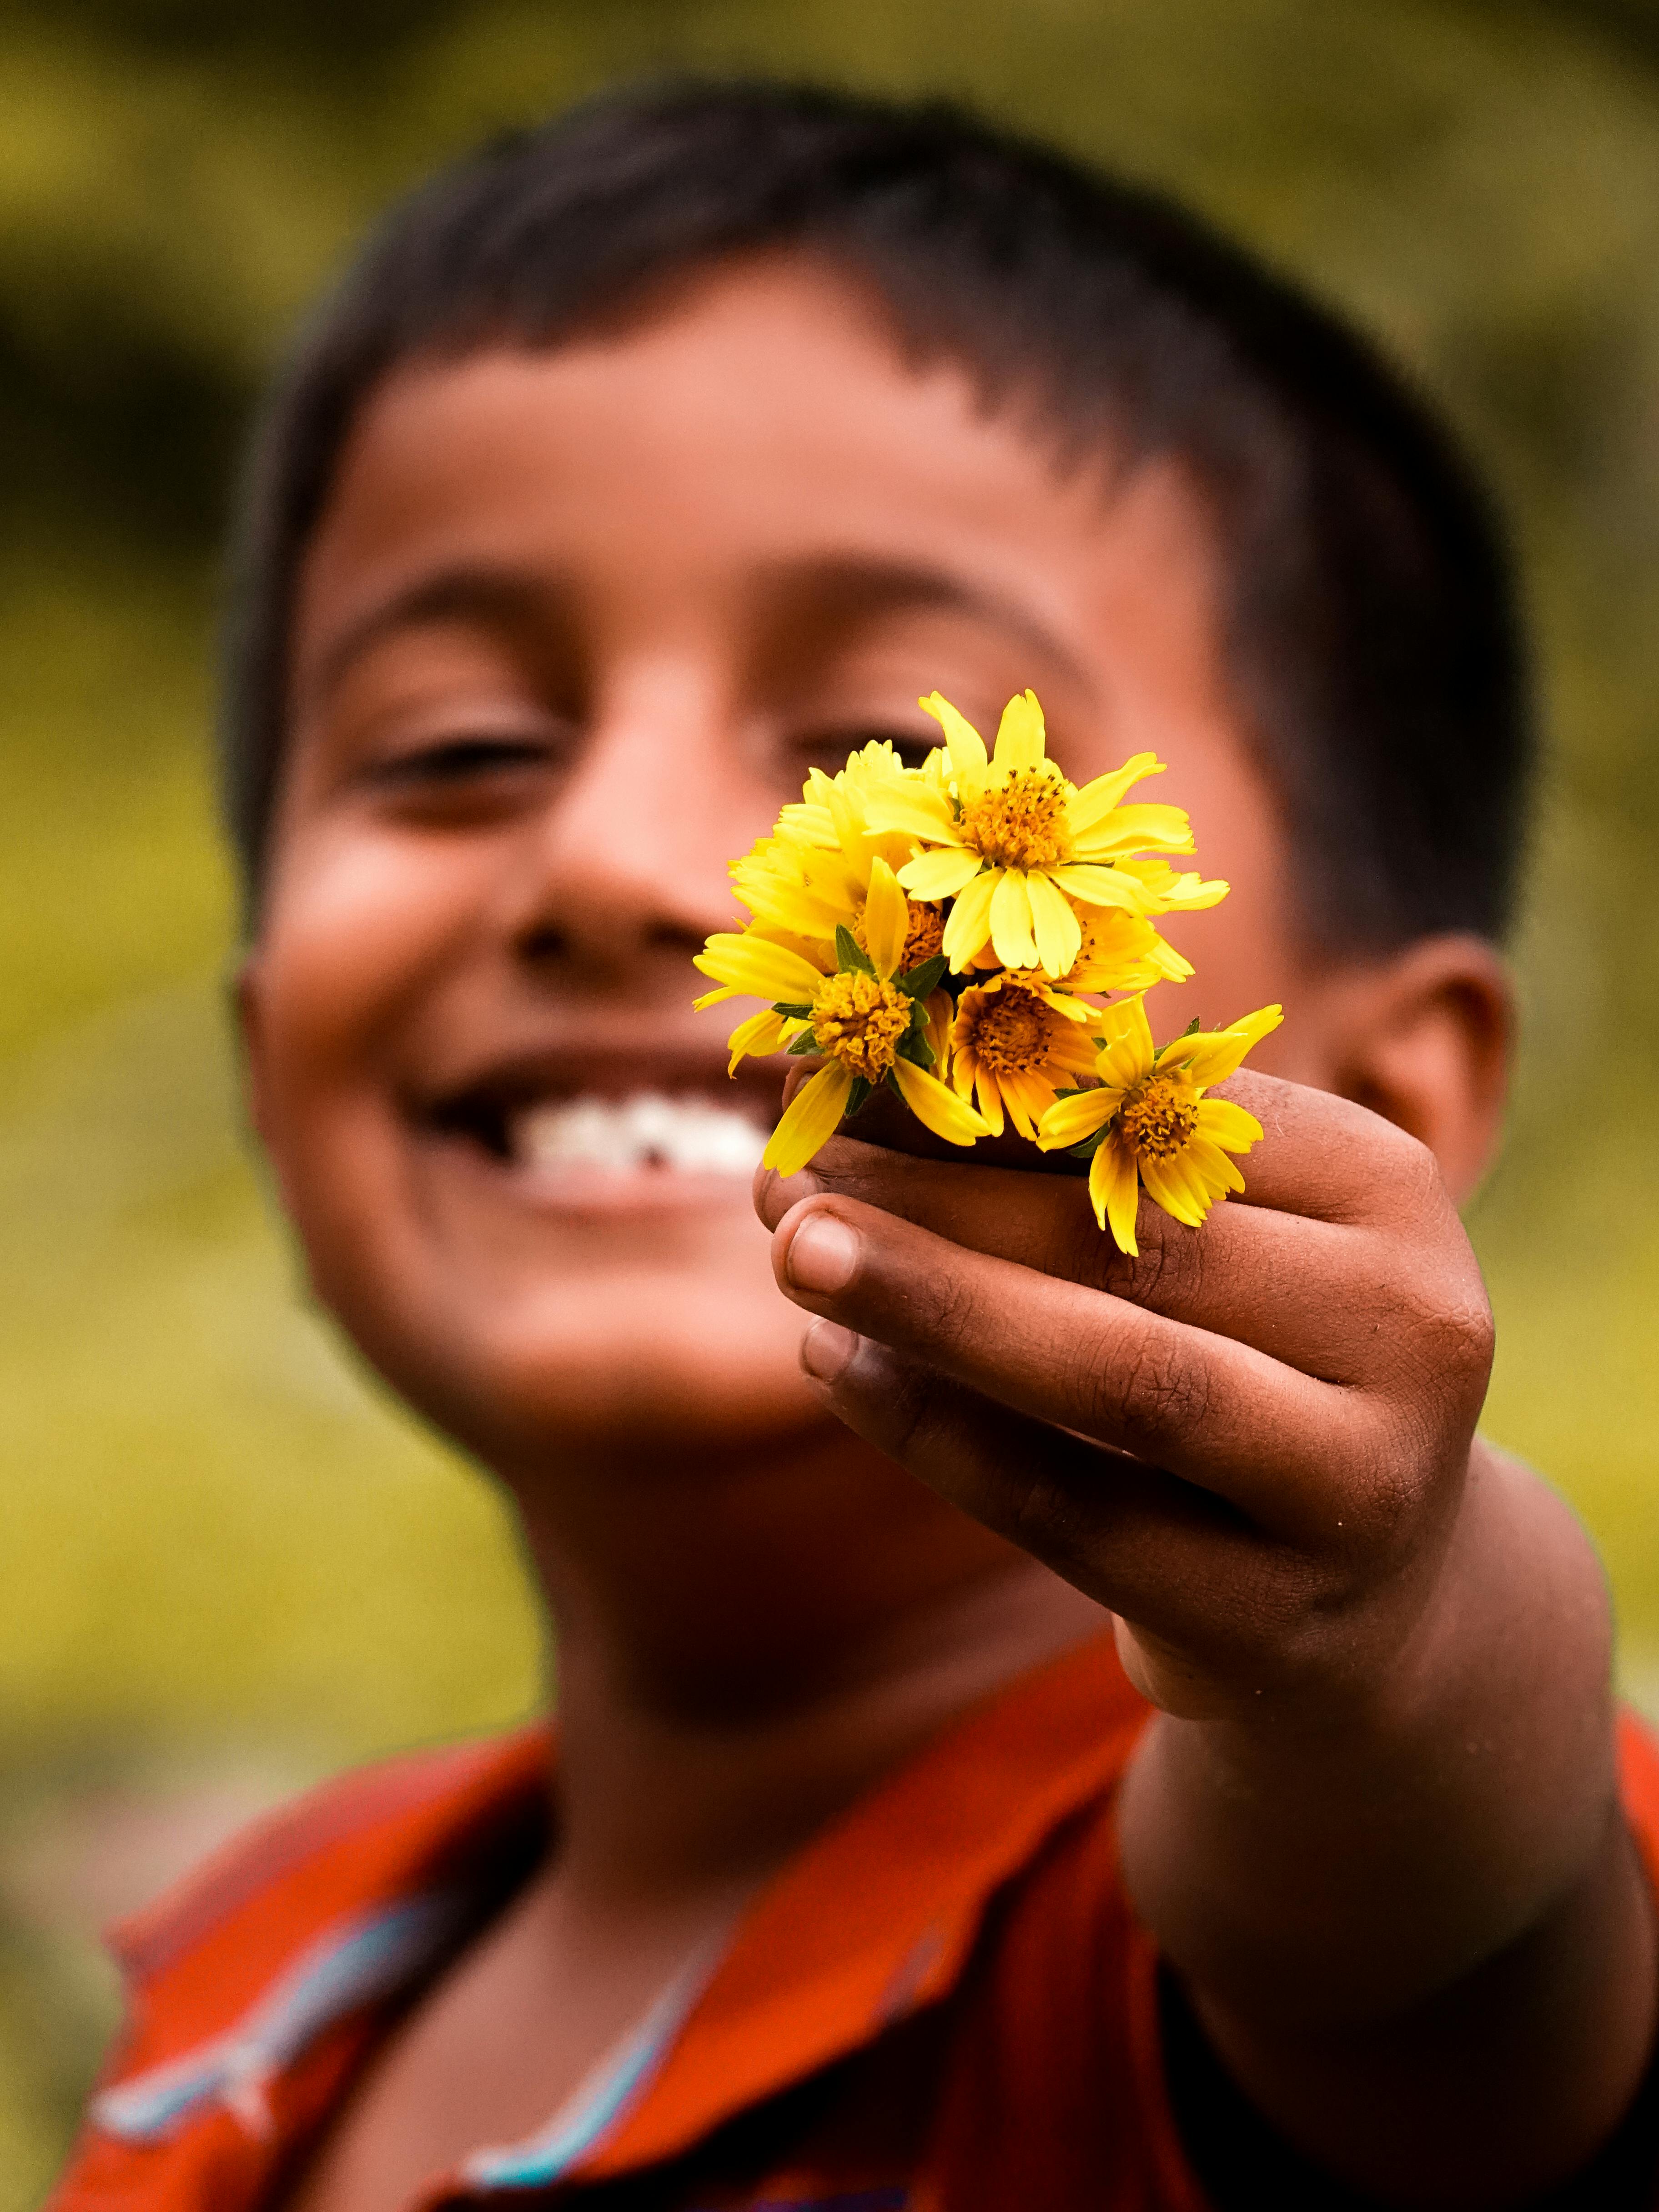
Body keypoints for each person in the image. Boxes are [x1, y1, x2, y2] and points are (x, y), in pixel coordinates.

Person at [50, 80, 1659, 2212]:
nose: (628, 863)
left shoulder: (1227, 1926)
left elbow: (1440, 1897)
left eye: (889, 755)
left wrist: (1392, 1631)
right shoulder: (254, 1978)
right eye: (457, 749)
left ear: (1400, 1088)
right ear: (264, 1054)